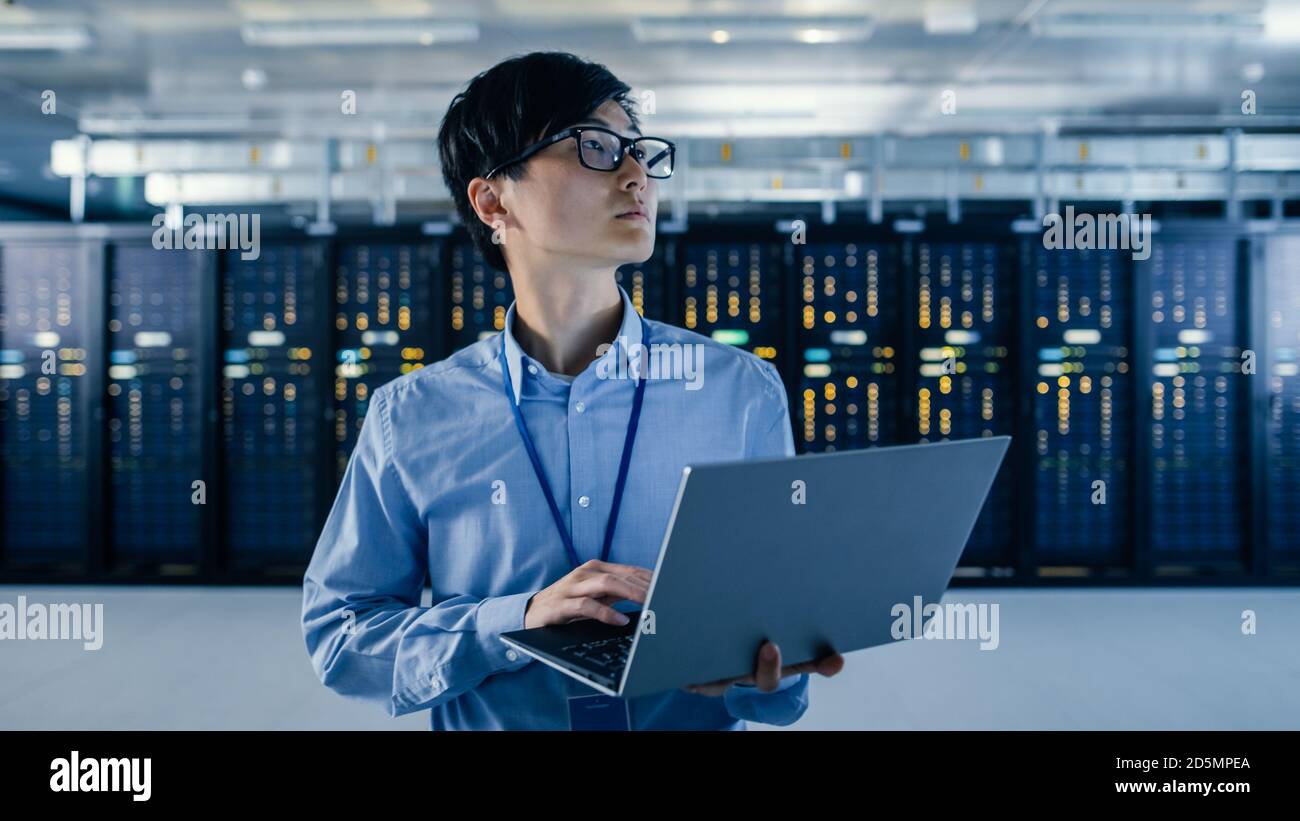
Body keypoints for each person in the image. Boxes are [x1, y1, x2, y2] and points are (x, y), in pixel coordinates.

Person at [302, 50, 843, 730]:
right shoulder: (412, 417)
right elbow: (342, 633)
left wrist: (771, 671)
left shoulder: (740, 393)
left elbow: (776, 638)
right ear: (492, 198)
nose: (635, 174)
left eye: (639, 152)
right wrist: (514, 621)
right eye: (595, 146)